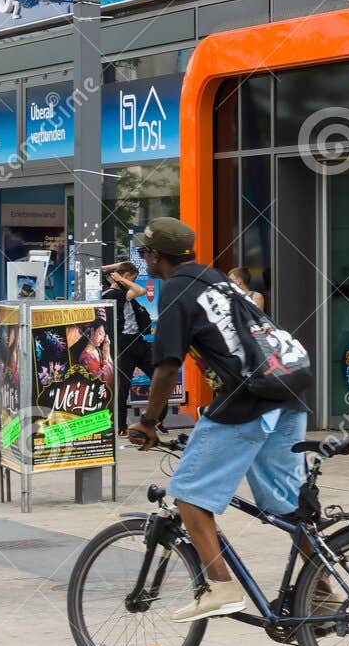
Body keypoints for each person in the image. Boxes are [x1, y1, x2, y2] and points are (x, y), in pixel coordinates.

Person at [124, 218, 314, 623]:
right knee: (289, 508)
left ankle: (219, 588)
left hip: (248, 401)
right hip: (287, 394)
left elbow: (166, 366)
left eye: (145, 252)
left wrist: (149, 421)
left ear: (157, 256)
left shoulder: (177, 290)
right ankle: (326, 590)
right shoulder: (217, 280)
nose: (144, 259)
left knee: (189, 495)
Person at [100, 259, 151, 422]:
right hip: (124, 345)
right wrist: (122, 279)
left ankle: (157, 418)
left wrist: (111, 268)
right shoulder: (114, 294)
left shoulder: (121, 292)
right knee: (122, 386)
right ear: (127, 277)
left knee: (157, 374)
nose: (133, 283)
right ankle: (121, 423)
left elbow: (127, 263)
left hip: (138, 341)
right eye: (132, 279)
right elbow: (141, 290)